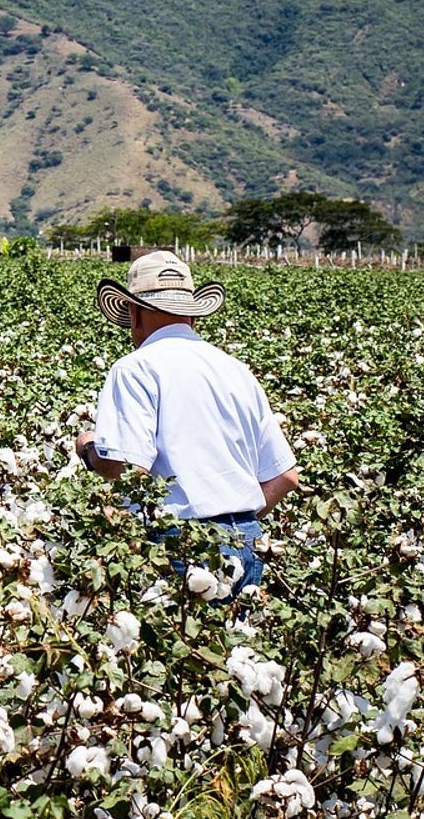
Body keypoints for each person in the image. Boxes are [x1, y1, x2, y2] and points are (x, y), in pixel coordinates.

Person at [72, 250, 299, 597]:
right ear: (192, 315)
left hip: (180, 546)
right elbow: (285, 477)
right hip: (249, 542)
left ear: (133, 313)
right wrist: (235, 529)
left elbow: (127, 469)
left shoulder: (135, 369)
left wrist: (88, 450)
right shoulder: (236, 369)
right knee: (239, 647)